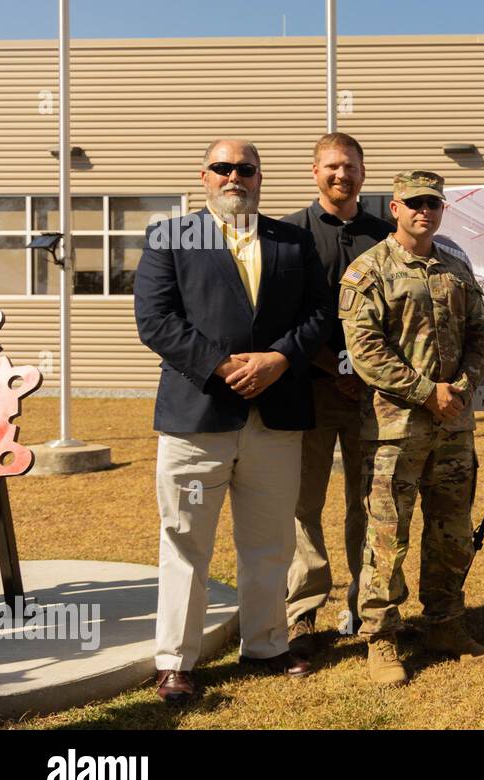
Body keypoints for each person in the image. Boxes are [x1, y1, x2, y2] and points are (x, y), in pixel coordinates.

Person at [134, 139, 332, 704]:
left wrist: (279, 359)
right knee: (185, 542)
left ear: (260, 177)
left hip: (275, 417)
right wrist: (220, 365)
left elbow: (319, 313)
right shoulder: (171, 235)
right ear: (204, 176)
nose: (234, 177)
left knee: (268, 542)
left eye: (246, 168)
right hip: (197, 416)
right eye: (223, 168)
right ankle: (176, 661)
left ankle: (267, 644)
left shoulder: (292, 240)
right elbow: (154, 320)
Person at [339, 170, 484, 686]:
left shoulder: (454, 268)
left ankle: (445, 623)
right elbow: (366, 351)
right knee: (388, 537)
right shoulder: (370, 271)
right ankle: (381, 637)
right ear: (395, 208)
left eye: (434, 203)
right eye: (415, 202)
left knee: (453, 532)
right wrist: (429, 392)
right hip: (395, 432)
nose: (424, 211)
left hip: (454, 428)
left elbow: (481, 334)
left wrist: (463, 387)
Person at [281, 132, 394, 655]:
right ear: (314, 172)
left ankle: (364, 608)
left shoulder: (386, 235)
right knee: (303, 503)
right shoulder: (288, 235)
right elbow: (284, 317)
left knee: (369, 503)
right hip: (310, 390)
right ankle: (302, 612)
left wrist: (367, 373)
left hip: (373, 396)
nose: (340, 175)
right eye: (331, 166)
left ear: (363, 173)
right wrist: (333, 367)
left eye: (349, 166)